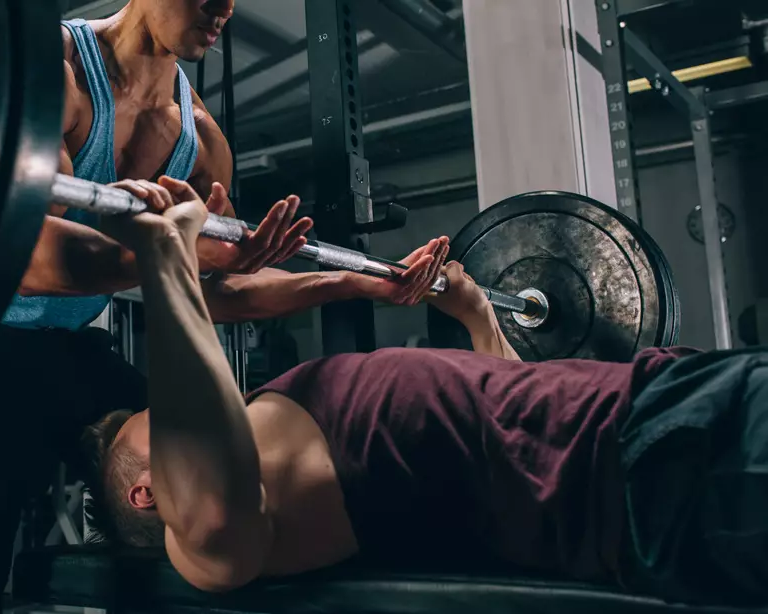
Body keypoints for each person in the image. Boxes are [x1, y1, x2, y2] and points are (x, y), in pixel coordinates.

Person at [0, 1, 449, 613]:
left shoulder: (202, 140)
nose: (223, 9)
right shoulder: (54, 69)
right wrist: (177, 250)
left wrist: (344, 285)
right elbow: (30, 263)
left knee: (201, 479)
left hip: (71, 348)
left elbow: (210, 295)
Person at [83, 181, 768, 608]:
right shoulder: (205, 544)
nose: (173, 402)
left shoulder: (267, 426)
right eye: (155, 418)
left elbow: (507, 408)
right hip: (651, 468)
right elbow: (206, 506)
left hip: (669, 402)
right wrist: (165, 259)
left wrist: (475, 315)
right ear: (147, 491)